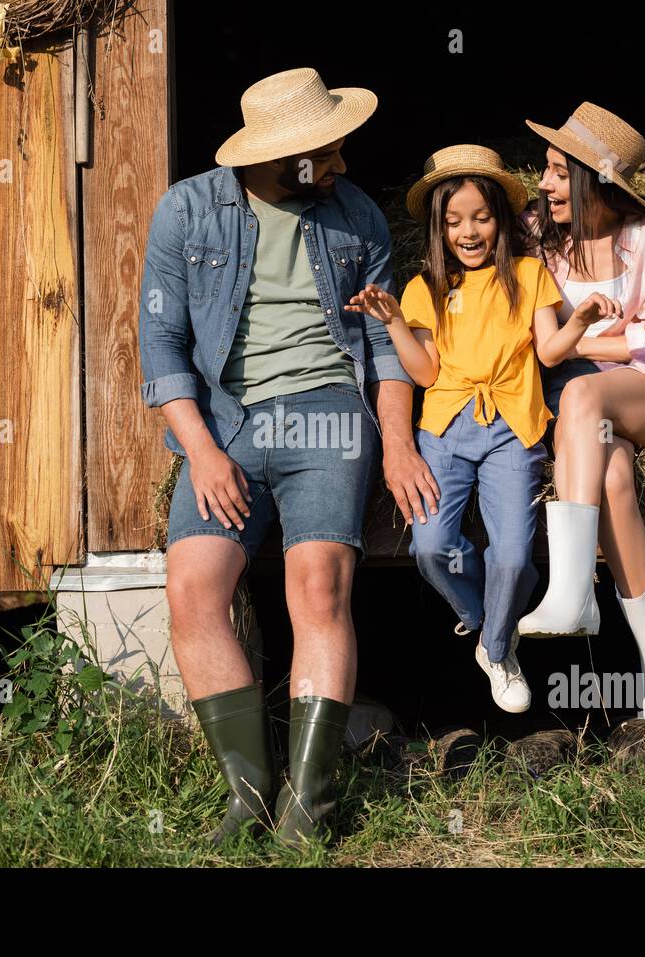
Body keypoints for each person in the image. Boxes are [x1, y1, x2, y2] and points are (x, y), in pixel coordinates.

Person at [137, 68, 436, 845]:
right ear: (285, 156)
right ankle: (251, 796)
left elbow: (384, 344)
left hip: (328, 415)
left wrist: (397, 442)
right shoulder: (187, 211)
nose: (339, 166)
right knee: (192, 589)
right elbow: (161, 345)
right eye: (327, 155)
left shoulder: (357, 216)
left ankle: (310, 809)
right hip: (225, 421)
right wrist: (201, 450)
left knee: (318, 589)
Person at [515, 103, 645, 736]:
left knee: (581, 397)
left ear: (593, 178)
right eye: (545, 171)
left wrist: (575, 344)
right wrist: (610, 335)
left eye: (555, 171)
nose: (544, 185)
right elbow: (528, 328)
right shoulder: (539, 238)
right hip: (586, 417)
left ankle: (572, 590)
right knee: (615, 482)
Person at [347, 146, 556, 714]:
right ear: (439, 227)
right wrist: (393, 323)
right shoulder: (425, 289)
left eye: (481, 217)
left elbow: (553, 348)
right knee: (432, 546)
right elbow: (425, 371)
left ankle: (495, 649)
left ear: (501, 222)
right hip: (443, 427)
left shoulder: (530, 276)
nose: (469, 230)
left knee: (513, 556)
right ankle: (487, 622)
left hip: (512, 426)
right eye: (455, 220)